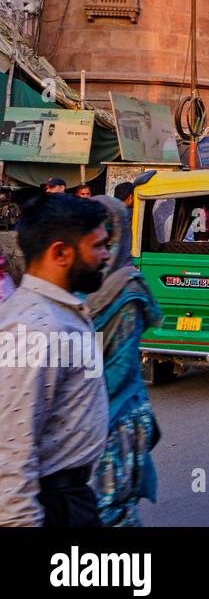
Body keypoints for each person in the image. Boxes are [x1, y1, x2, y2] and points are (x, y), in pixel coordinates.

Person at [0, 194, 110, 526]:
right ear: (60, 253)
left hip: (71, 496)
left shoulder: (62, 311)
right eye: (98, 246)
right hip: (52, 505)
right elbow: (10, 449)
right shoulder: (35, 327)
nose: (106, 255)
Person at [86, 195, 162, 526]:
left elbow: (116, 365)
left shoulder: (124, 288)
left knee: (111, 506)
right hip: (115, 414)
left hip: (114, 416)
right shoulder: (101, 283)